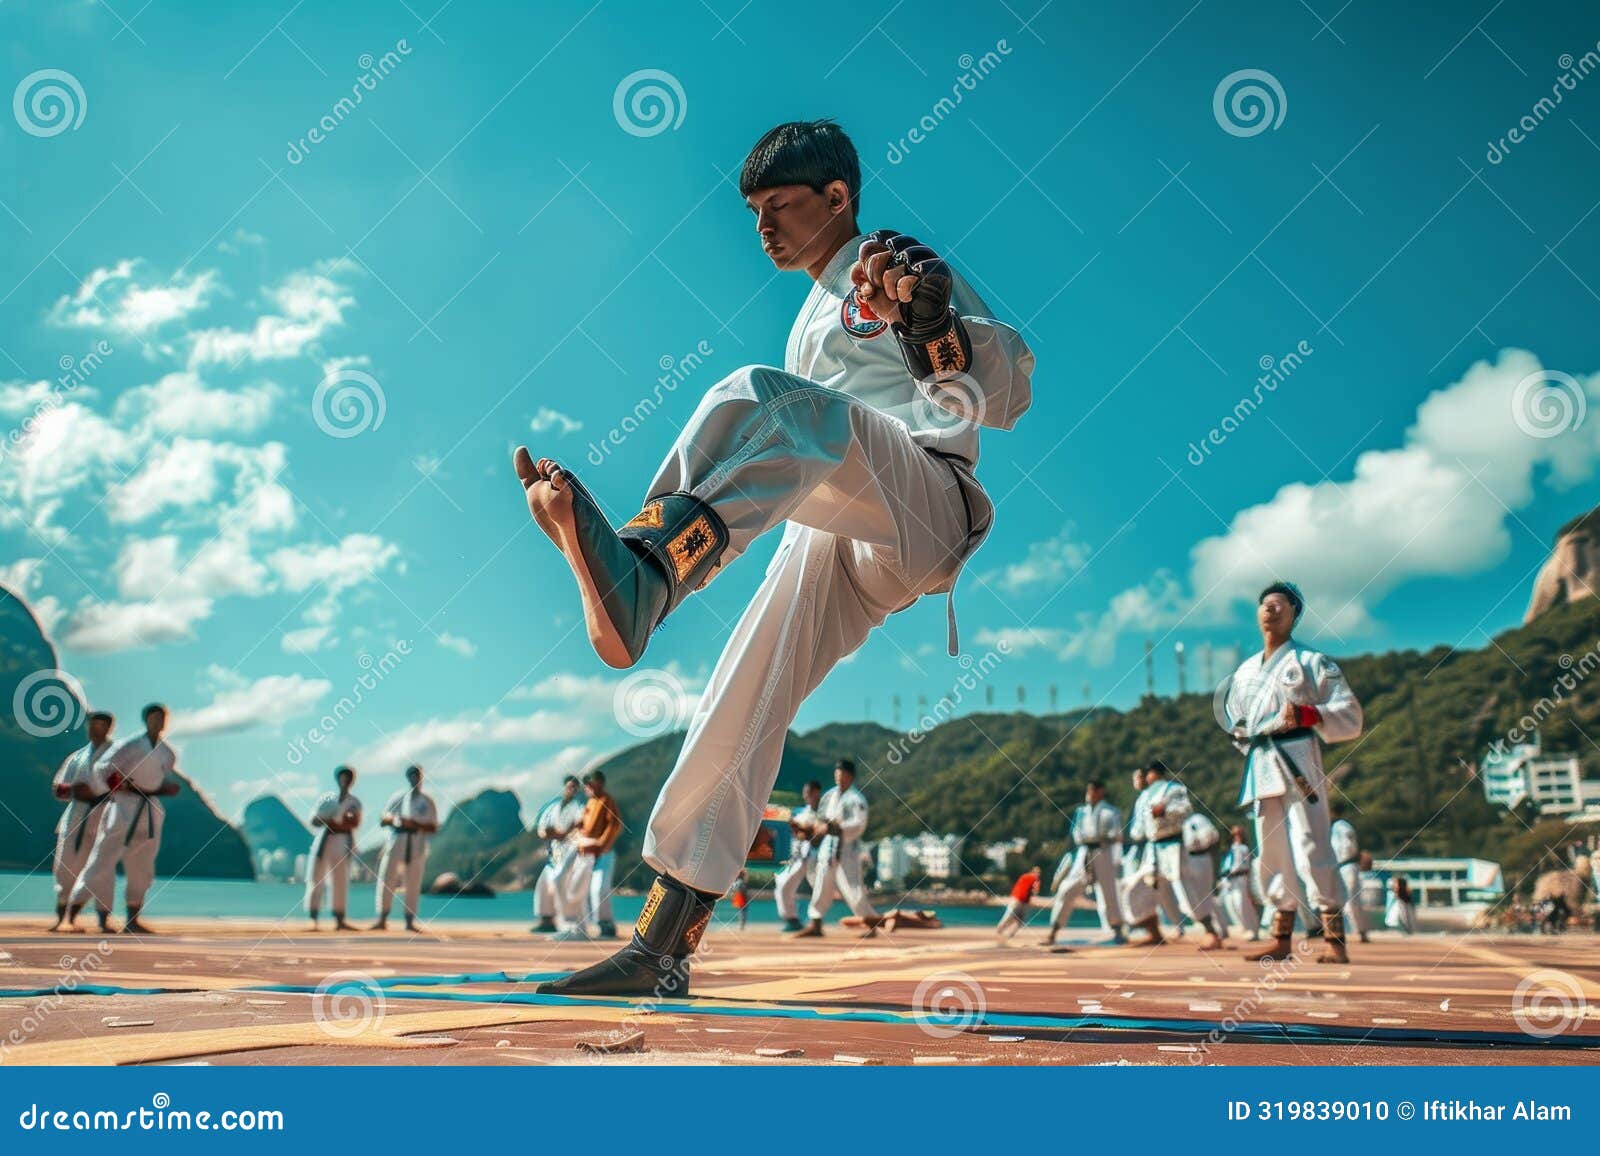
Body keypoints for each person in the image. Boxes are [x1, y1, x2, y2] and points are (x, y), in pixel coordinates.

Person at [519, 119, 1032, 995]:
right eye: (753, 210)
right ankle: (663, 945)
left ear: (838, 197)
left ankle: (648, 566)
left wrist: (935, 321)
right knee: (742, 691)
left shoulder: (893, 263)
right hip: (832, 517)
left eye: (781, 205)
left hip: (928, 503)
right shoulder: (809, 316)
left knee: (763, 396)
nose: (762, 226)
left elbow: (1009, 392)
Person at [1221, 581, 1364, 964]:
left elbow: (1350, 714)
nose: (1271, 609)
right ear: (1258, 614)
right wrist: (1247, 736)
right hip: (1263, 762)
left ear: (1294, 614)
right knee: (1270, 850)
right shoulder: (1245, 672)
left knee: (1311, 842)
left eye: (1280, 604)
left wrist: (1309, 713)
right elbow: (1238, 723)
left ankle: (1334, 939)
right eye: (1265, 604)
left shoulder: (1314, 662)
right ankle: (1281, 937)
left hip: (1300, 754)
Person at [67, 703, 182, 935]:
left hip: (150, 809)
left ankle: (133, 919)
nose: (159, 722)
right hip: (123, 807)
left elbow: (158, 780)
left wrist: (164, 788)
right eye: (154, 718)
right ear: (146, 720)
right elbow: (103, 768)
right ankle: (72, 914)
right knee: (102, 861)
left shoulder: (167, 753)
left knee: (142, 866)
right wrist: (121, 785)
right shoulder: (129, 745)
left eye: (162, 718)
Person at [1131, 761, 1226, 950]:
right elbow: (1137, 830)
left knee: (1185, 892)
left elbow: (1186, 809)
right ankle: (1153, 931)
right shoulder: (1142, 798)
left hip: (1174, 846)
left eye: (1147, 774)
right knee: (1136, 888)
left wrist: (1165, 810)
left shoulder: (1173, 789)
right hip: (1153, 849)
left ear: (1155, 773)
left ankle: (1211, 932)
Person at [791, 759, 879, 938]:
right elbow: (821, 819)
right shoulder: (830, 796)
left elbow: (859, 823)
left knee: (853, 888)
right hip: (827, 848)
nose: (839, 778)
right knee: (821, 886)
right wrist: (809, 829)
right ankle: (815, 925)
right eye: (837, 774)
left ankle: (871, 925)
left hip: (848, 849)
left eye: (843, 774)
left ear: (851, 776)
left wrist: (835, 827)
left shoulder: (856, 799)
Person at [48, 710, 114, 932]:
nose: (94, 729)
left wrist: (97, 794)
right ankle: (62, 918)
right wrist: (75, 789)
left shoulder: (117, 756)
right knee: (64, 867)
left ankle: (103, 920)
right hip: (75, 815)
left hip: (104, 815)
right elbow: (58, 788)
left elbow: (124, 787)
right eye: (91, 725)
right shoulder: (76, 757)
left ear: (108, 728)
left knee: (102, 868)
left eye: (99, 725)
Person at [1043, 780, 1126, 946]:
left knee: (1109, 893)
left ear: (1101, 791)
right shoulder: (1081, 812)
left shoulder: (1111, 811)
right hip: (1083, 853)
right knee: (1067, 889)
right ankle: (1053, 931)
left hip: (1104, 852)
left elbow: (1117, 834)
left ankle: (1118, 931)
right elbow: (1075, 833)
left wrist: (1102, 837)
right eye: (1089, 791)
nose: (1090, 794)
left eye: (1093, 790)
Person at [372, 765, 437, 933]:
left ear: (421, 778)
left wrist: (415, 824)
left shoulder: (427, 801)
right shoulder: (398, 797)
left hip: (417, 841)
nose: (415, 779)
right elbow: (383, 818)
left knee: (413, 881)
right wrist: (394, 819)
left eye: (418, 776)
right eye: (412, 776)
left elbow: (433, 826)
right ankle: (382, 917)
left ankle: (409, 920)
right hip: (396, 839)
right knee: (387, 878)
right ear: (408, 778)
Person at [560, 770, 623, 939]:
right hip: (586, 855)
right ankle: (579, 927)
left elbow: (614, 825)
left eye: (590, 783)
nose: (587, 787)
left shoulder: (606, 801)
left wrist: (601, 845)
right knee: (579, 889)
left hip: (603, 854)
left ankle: (606, 926)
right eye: (587, 784)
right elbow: (583, 824)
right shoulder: (590, 803)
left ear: (599, 783)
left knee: (599, 889)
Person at [305, 765, 362, 931]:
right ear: (338, 780)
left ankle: (339, 919)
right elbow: (314, 821)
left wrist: (335, 821)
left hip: (342, 840)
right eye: (342, 778)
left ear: (351, 781)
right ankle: (313, 918)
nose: (344, 781)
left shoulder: (354, 802)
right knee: (316, 878)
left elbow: (354, 822)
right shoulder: (327, 799)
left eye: (347, 778)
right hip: (325, 839)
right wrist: (328, 820)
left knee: (340, 879)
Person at [531, 775, 587, 933]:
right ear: (564, 788)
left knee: (564, 884)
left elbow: (576, 827)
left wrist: (559, 833)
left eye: (575, 787)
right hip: (554, 853)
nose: (572, 790)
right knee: (544, 884)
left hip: (572, 852)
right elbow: (542, 829)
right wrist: (552, 834)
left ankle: (570, 920)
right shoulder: (552, 807)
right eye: (569, 786)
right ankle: (547, 920)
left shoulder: (580, 807)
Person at [773, 779, 823, 931]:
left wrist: (800, 829)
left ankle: (866, 918)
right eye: (805, 793)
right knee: (783, 883)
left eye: (809, 793)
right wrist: (794, 826)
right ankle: (793, 920)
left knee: (823, 887)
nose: (806, 796)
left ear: (817, 792)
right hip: (801, 856)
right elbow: (798, 834)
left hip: (821, 856)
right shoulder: (804, 812)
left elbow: (814, 834)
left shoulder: (826, 811)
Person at [1329, 806, 1369, 945]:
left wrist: (1338, 864)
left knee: (1351, 901)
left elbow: (1348, 849)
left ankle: (1361, 932)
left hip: (1346, 867)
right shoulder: (1334, 828)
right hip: (1341, 867)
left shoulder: (1342, 827)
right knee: (1343, 901)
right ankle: (1348, 932)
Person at [1219, 825, 1260, 941]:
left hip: (1241, 878)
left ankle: (1253, 930)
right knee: (1230, 905)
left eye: (1238, 834)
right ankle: (1245, 928)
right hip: (1229, 881)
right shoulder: (1230, 849)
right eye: (1234, 835)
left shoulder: (1243, 848)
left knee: (1242, 904)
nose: (1236, 837)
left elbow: (1244, 865)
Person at [997, 865, 1042, 942]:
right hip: (1019, 900)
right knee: (1013, 917)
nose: (1037, 874)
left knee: (1015, 918)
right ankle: (1003, 932)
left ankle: (1005, 933)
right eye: (1037, 872)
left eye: (1038, 873)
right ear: (1032, 872)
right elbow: (1035, 891)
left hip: (1020, 900)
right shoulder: (1033, 878)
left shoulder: (1025, 876)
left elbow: (1031, 890)